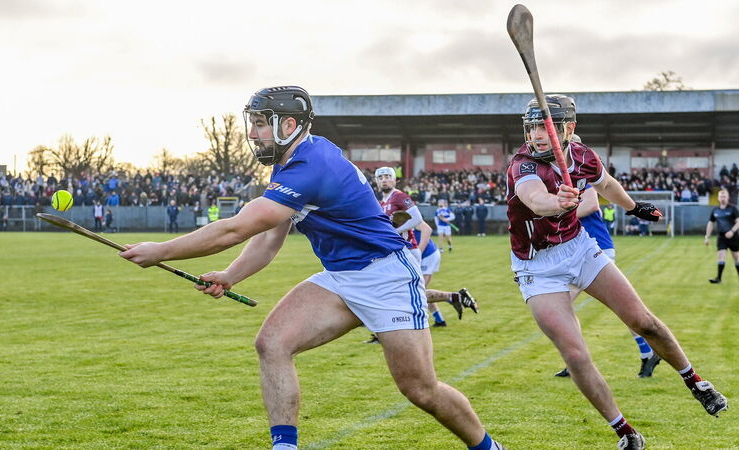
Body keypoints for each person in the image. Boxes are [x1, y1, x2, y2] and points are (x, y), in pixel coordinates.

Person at [120, 86, 503, 450]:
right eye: (252, 123)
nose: (253, 133)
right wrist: (231, 275)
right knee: (272, 344)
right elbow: (270, 238)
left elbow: (235, 228)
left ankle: (488, 446)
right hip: (340, 278)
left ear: (288, 126)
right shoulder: (292, 163)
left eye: (260, 123)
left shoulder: (311, 166)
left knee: (420, 389)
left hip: (387, 275)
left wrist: (162, 251)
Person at [507, 95, 726, 449]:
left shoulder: (582, 155)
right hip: (537, 267)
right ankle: (625, 431)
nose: (538, 134)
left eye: (545, 125)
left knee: (644, 322)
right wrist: (557, 202)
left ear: (568, 128)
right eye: (532, 126)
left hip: (579, 248)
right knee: (575, 354)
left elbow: (606, 185)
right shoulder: (523, 165)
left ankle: (696, 381)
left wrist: (635, 207)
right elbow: (534, 199)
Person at [553, 185, 660, 379]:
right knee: (563, 306)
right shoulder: (554, 183)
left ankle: (578, 360)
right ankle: (577, 360)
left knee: (565, 304)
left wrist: (557, 215)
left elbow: (592, 205)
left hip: (597, 248)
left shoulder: (580, 177)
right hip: (576, 254)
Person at [374, 166, 478, 329]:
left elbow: (419, 221)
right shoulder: (382, 203)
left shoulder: (400, 197)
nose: (384, 179)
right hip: (402, 252)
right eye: (380, 177)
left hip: (416, 251)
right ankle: (442, 312)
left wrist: (395, 234)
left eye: (388, 176)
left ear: (395, 180)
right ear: (376, 181)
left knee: (410, 293)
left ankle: (412, 324)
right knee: (406, 291)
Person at [705, 188, 739, 284]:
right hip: (721, 237)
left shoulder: (733, 209)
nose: (723, 198)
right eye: (721, 196)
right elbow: (710, 223)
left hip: (733, 237)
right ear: (718, 198)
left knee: (736, 257)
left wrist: (732, 231)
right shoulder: (715, 210)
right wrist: (707, 237)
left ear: (728, 198)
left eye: (724, 196)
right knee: (721, 256)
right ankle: (719, 278)